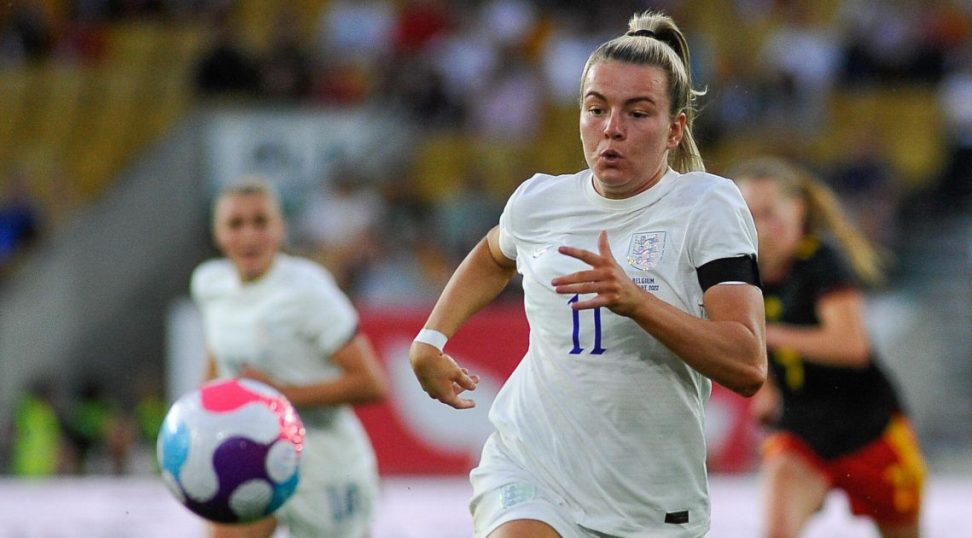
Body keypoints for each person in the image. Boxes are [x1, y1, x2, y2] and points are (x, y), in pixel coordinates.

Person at [409, 11, 767, 538]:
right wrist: (430, 340)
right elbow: (492, 256)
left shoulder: (707, 205)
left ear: (675, 130)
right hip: (532, 466)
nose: (611, 129)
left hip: (650, 500)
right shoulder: (540, 201)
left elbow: (747, 362)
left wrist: (637, 302)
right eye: (596, 109)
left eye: (637, 113)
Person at [730, 157, 927, 538]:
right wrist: (767, 390)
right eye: (748, 214)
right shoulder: (741, 271)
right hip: (801, 431)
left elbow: (851, 345)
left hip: (870, 429)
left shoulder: (820, 261)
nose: (759, 227)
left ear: (798, 210)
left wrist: (767, 334)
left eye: (769, 213)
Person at [191, 178, 388, 538]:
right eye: (235, 224)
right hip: (249, 460)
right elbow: (216, 355)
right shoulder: (209, 284)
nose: (249, 235)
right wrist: (202, 429)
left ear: (280, 229)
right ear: (218, 234)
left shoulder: (308, 290)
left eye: (260, 221)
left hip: (324, 466)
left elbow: (372, 383)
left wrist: (277, 396)